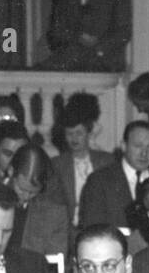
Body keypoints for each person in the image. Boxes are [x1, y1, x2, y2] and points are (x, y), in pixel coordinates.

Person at [78, 121, 149, 251]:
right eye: (138, 146)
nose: (144, 153)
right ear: (123, 146)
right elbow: (93, 231)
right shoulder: (99, 181)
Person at [48, 92, 114, 226]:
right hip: (67, 228)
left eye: (79, 133)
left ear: (88, 133)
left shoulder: (106, 161)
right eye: (69, 134)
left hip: (99, 226)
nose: (74, 138)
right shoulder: (57, 164)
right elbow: (53, 202)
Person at [5, 144, 69, 259]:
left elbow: (54, 262)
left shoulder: (54, 212)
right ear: (11, 171)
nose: (26, 196)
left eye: (33, 192)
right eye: (21, 189)